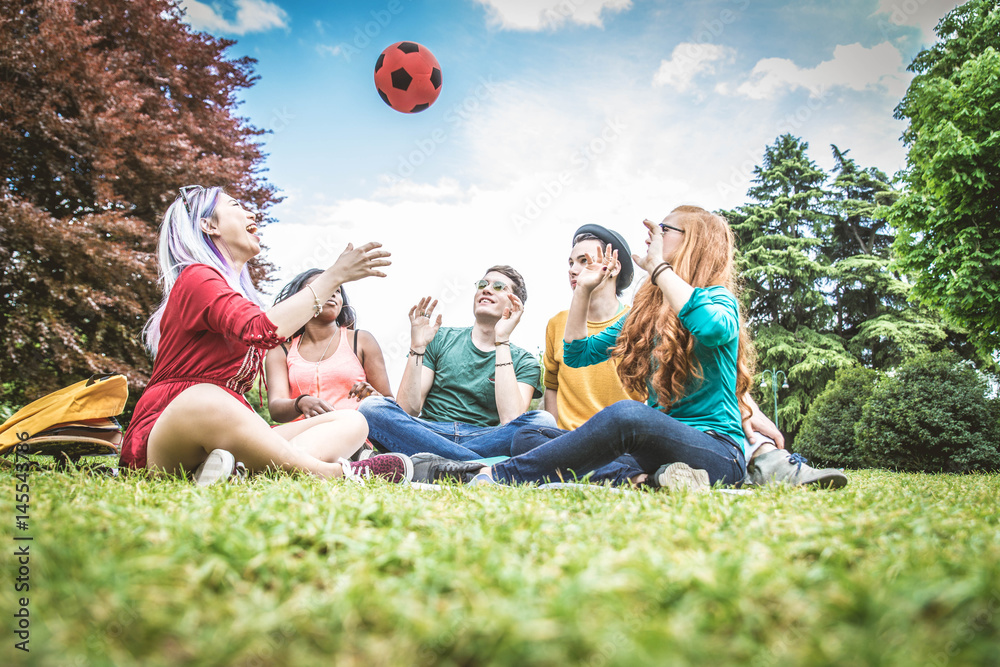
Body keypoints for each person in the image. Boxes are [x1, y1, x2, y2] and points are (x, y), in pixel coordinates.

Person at [412, 207, 848, 490]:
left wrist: (658, 269)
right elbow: (578, 354)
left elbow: (711, 329)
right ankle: (651, 479)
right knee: (532, 432)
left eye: (665, 229)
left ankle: (494, 475)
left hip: (717, 450)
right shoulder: (645, 313)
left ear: (692, 242)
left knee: (626, 416)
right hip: (655, 449)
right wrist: (583, 292)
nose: (653, 234)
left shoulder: (717, 299)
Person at [119, 185, 412, 485]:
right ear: (209, 225)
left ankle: (239, 473)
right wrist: (333, 275)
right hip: (170, 430)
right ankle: (335, 473)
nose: (251, 214)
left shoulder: (235, 292)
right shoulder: (196, 275)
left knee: (352, 421)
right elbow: (261, 329)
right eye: (235, 206)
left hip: (229, 431)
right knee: (204, 396)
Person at [357, 265, 557, 460]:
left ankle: (436, 460)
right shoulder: (439, 338)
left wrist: (502, 339)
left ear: (515, 305)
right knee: (371, 408)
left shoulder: (525, 361)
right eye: (482, 284)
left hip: (485, 438)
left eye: (498, 286)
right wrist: (417, 347)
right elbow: (407, 409)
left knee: (543, 422)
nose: (486, 289)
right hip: (428, 431)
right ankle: (473, 465)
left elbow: (511, 419)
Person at [265, 269, 392, 423]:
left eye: (337, 290)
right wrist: (300, 403)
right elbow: (276, 408)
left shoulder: (362, 340)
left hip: (356, 432)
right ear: (300, 297)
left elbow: (391, 403)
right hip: (305, 433)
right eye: (324, 287)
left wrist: (376, 399)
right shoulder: (281, 351)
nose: (332, 293)